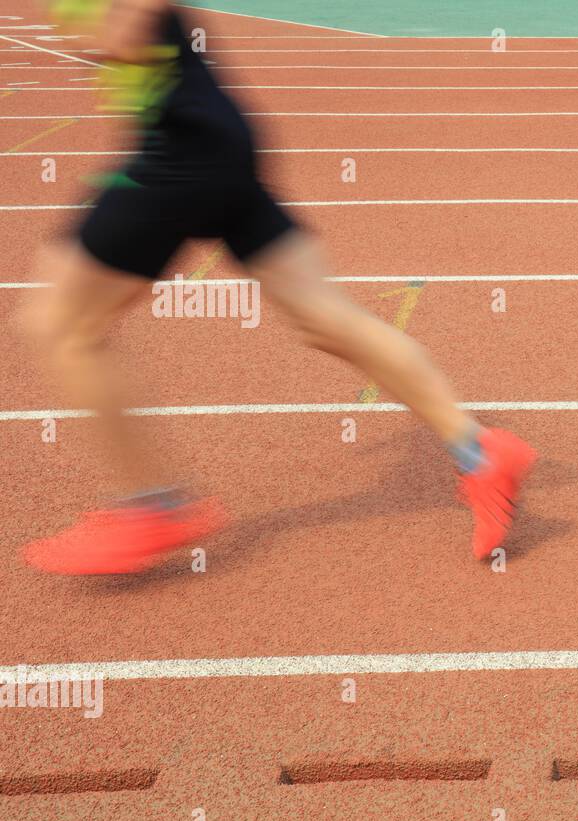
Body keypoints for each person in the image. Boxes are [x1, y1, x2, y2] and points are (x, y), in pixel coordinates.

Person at [20, 0, 534, 574]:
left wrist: (101, 34)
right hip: (214, 138)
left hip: (183, 151)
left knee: (62, 325)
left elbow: (126, 32)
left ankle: (154, 505)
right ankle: (479, 451)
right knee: (319, 315)